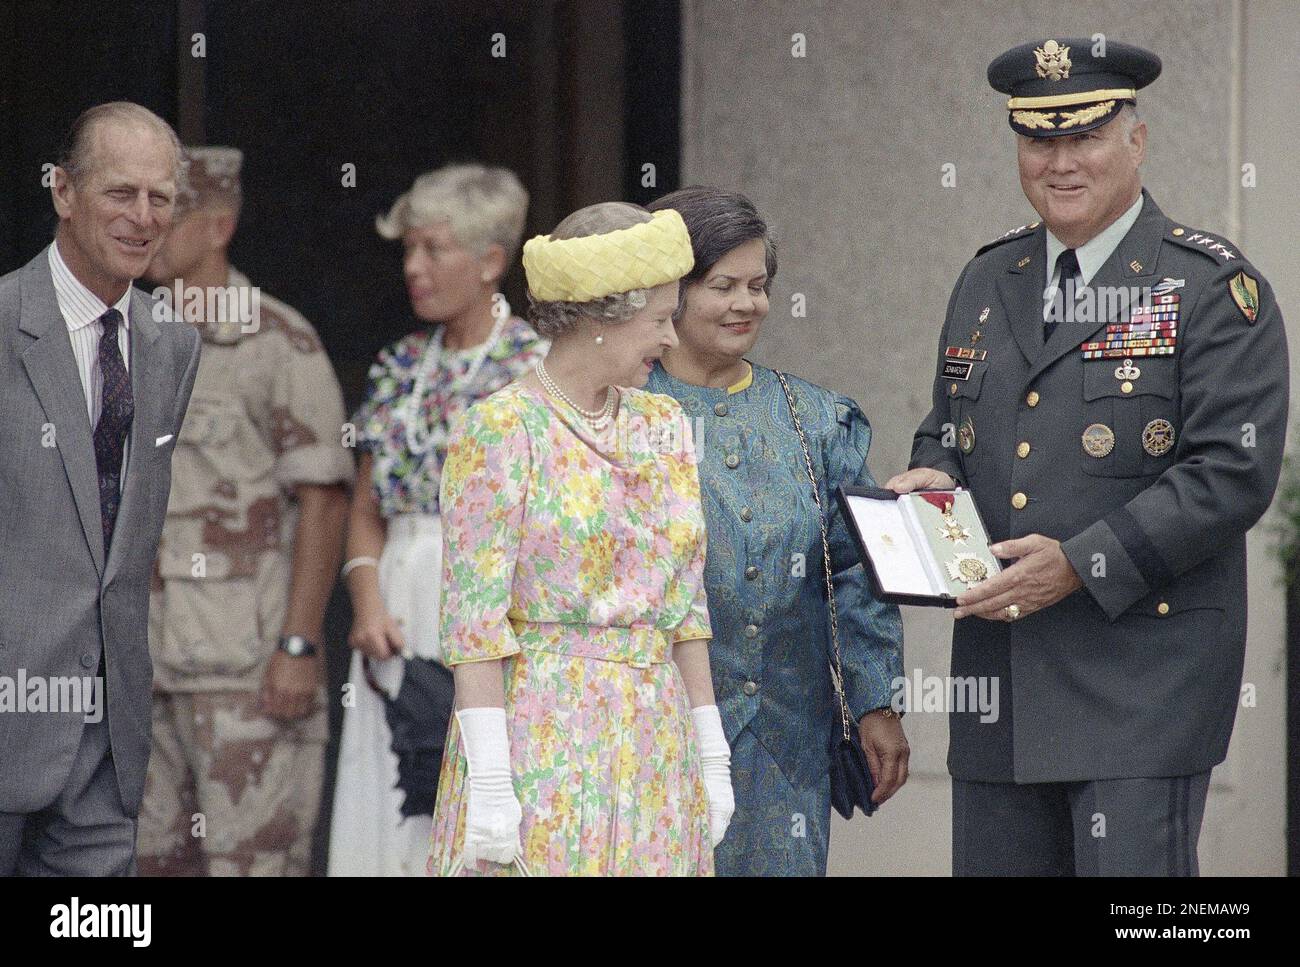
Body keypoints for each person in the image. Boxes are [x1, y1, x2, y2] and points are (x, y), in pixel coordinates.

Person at [892, 38, 1289, 876]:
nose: (1061, 163)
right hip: (1001, 685)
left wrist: (1080, 563)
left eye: (1087, 138)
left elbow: (1231, 473)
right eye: (1040, 141)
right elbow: (949, 429)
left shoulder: (1209, 287)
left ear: (1136, 143)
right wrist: (933, 481)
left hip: (1142, 686)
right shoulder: (988, 277)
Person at [428, 202, 733, 876]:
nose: (670, 341)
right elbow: (473, 625)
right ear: (603, 318)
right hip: (543, 738)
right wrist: (489, 787)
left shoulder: (664, 425)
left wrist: (712, 752)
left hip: (656, 738)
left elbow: (686, 606)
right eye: (658, 320)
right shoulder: (502, 430)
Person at [645, 187, 906, 875]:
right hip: (648, 734)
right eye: (722, 285)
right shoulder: (624, 416)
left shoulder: (815, 419)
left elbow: (856, 568)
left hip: (785, 741)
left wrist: (875, 698)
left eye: (758, 286)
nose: (746, 304)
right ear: (669, 291)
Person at [137, 146, 353, 875]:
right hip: (145, 664)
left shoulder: (277, 342)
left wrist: (298, 645)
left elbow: (324, 501)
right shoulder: (126, 338)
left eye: (170, 210)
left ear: (219, 223)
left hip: (249, 671)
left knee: (253, 863)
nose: (150, 225)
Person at [0, 103, 201, 875]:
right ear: (62, 192)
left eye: (161, 197)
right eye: (120, 193)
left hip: (105, 750)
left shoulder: (173, 343)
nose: (143, 217)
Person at [329, 164, 546, 876]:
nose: (413, 267)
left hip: (490, 604)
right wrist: (366, 602)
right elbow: (365, 508)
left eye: (432, 249)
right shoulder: (396, 365)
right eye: (407, 249)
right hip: (396, 605)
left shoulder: (535, 367)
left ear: (490, 260)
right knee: (390, 791)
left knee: (470, 789)